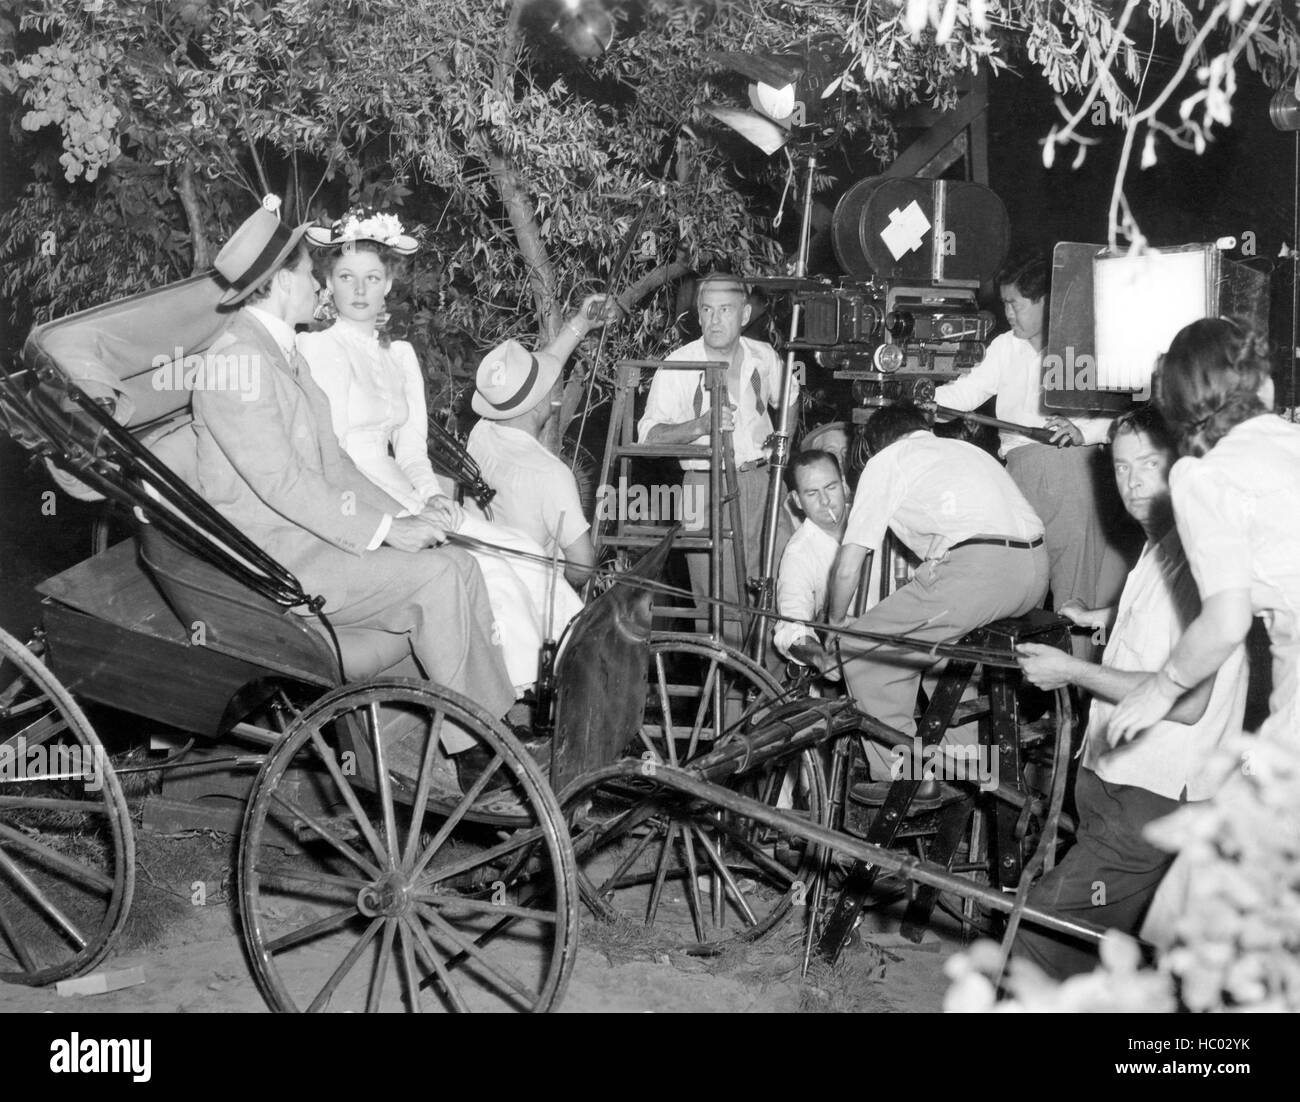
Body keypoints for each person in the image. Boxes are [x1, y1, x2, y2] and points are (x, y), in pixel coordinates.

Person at [192, 196, 513, 758]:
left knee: (459, 564)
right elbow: (283, 484)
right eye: (307, 272)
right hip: (281, 560)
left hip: (315, 540)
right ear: (279, 283)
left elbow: (335, 463)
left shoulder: (282, 353)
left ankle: (479, 735)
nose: (318, 282)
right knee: (436, 579)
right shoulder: (233, 363)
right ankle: (479, 760)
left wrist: (402, 517)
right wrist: (384, 531)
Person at [297, 208, 583, 692]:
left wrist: (432, 498)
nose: (360, 290)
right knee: (487, 569)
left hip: (403, 485)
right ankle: (517, 691)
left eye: (372, 277)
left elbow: (410, 450)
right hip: (359, 494)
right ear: (328, 280)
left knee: (521, 548)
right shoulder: (319, 349)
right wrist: (405, 514)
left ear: (390, 282)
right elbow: (336, 455)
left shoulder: (400, 355)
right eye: (347, 277)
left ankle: (570, 664)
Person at [1013, 405, 1249, 978]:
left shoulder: (1193, 556)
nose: (1133, 481)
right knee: (1109, 952)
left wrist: (1073, 673)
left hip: (1151, 798)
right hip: (1122, 787)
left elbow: (1188, 700)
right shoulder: (1163, 544)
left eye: (1150, 463)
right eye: (1121, 467)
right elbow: (1165, 631)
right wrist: (1097, 616)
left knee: (1039, 935)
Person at [826, 403, 1048, 796]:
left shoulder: (888, 460)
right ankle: (967, 766)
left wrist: (834, 623)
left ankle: (907, 778)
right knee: (938, 652)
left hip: (984, 572)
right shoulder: (967, 451)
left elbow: (848, 566)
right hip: (1035, 571)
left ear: (876, 444)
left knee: (861, 648)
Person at [934, 251, 1128, 628]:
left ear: (1045, 302)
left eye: (1015, 304)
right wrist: (927, 401)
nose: (1008, 312)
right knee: (1018, 586)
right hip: (1017, 474)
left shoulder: (1086, 345)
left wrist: (1083, 431)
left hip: (1072, 470)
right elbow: (966, 392)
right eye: (1004, 302)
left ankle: (1078, 675)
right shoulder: (1005, 346)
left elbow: (1125, 414)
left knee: (1075, 591)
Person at [637, 273, 799, 644]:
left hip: (762, 480)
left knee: (781, 592)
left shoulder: (764, 356)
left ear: (744, 314)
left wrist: (783, 442)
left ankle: (777, 695)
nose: (714, 320)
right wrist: (699, 425)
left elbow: (790, 394)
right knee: (718, 611)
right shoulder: (678, 365)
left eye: (725, 310)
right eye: (707, 310)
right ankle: (727, 701)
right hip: (703, 488)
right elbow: (647, 437)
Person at [465, 305, 609, 591]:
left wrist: (580, 323)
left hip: (477, 585)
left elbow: (523, 382)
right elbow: (582, 566)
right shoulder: (551, 474)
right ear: (540, 402)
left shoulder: (480, 433)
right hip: (529, 601)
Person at [773, 450, 851, 671]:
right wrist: (819, 657)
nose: (825, 500)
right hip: (847, 661)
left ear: (844, 483)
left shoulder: (875, 520)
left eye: (831, 487)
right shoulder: (798, 552)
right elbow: (791, 628)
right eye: (812, 493)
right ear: (797, 500)